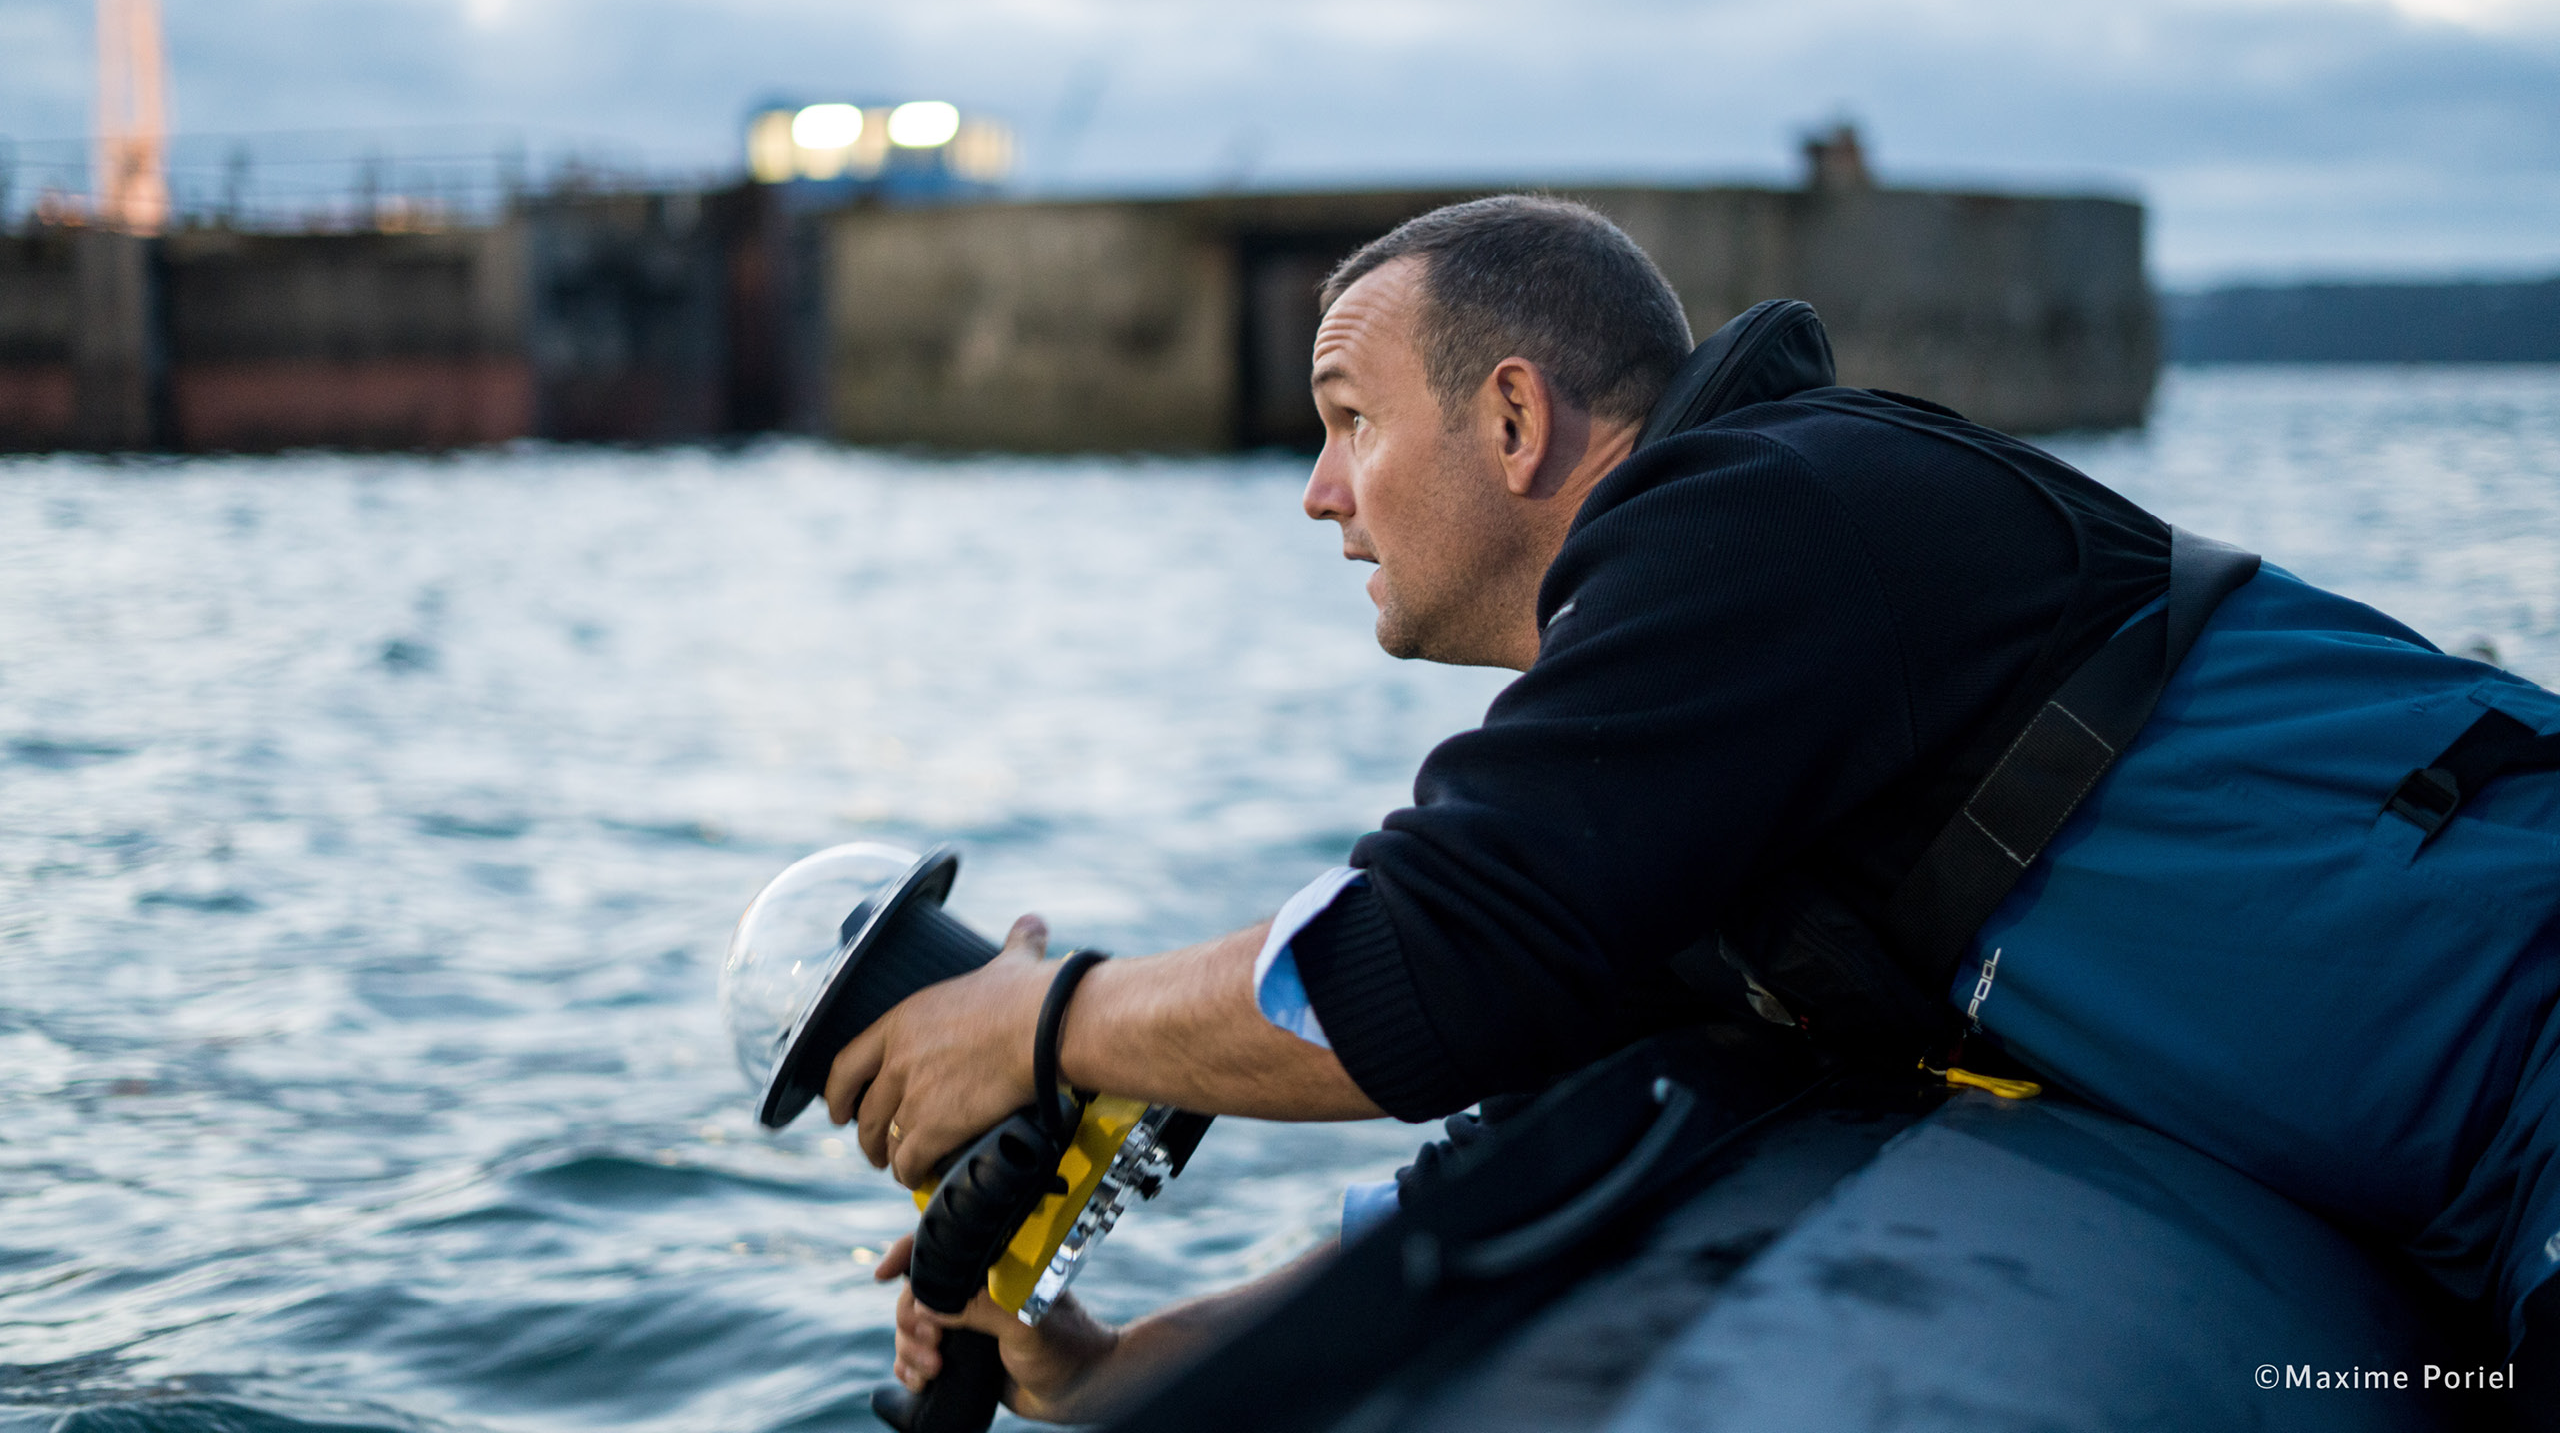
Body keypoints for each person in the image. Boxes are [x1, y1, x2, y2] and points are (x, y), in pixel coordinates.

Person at [828, 195, 2560, 1424]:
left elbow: (1420, 973)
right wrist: (1112, 1368)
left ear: (1515, 416)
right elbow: (1515, 1166)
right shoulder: (1689, 752)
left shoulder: (1763, 516)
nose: (1316, 492)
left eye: (1352, 420)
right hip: (2459, 1185)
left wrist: (1044, 1025)